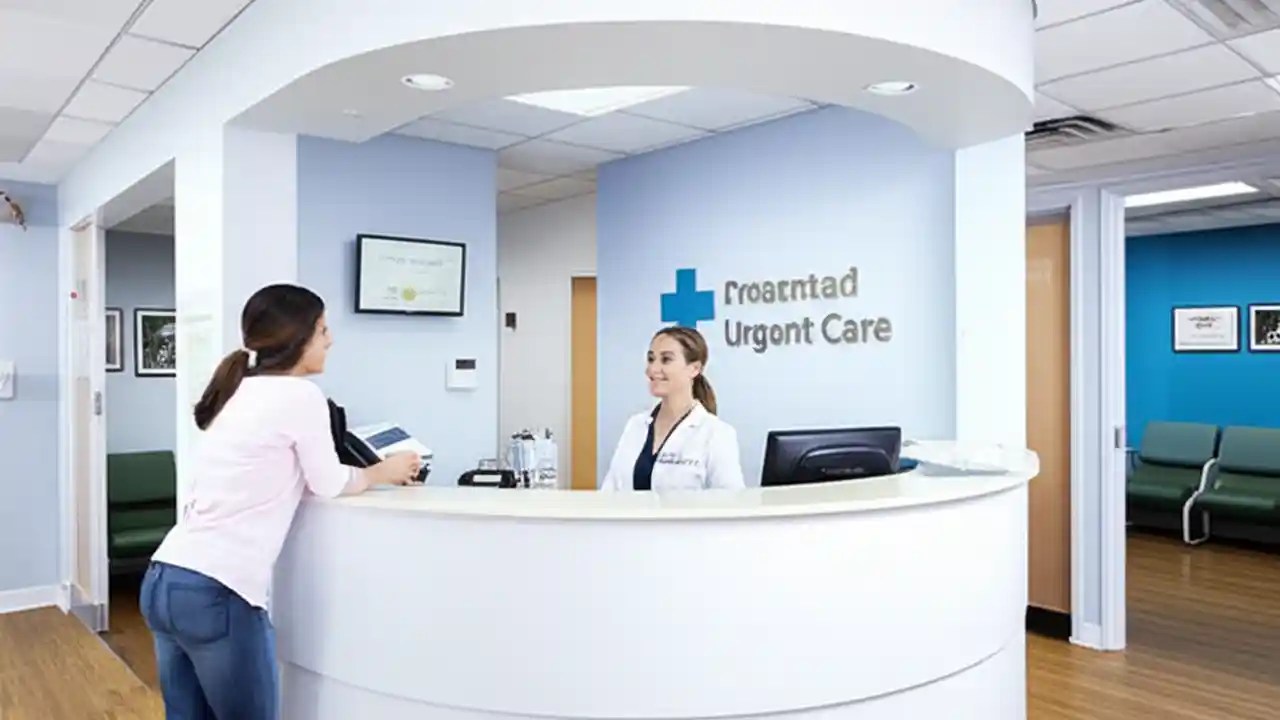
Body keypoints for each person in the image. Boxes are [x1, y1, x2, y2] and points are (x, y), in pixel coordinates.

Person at [140, 283, 421, 719]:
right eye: (324, 329)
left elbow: (278, 474)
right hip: (218, 591)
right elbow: (328, 481)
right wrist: (381, 472)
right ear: (298, 336)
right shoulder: (299, 395)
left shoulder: (241, 390)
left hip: (164, 578)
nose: (330, 339)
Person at [601, 326, 745, 491]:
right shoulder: (635, 425)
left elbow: (731, 502)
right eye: (651, 359)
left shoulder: (716, 433)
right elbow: (610, 492)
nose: (652, 369)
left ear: (694, 369)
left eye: (666, 359)